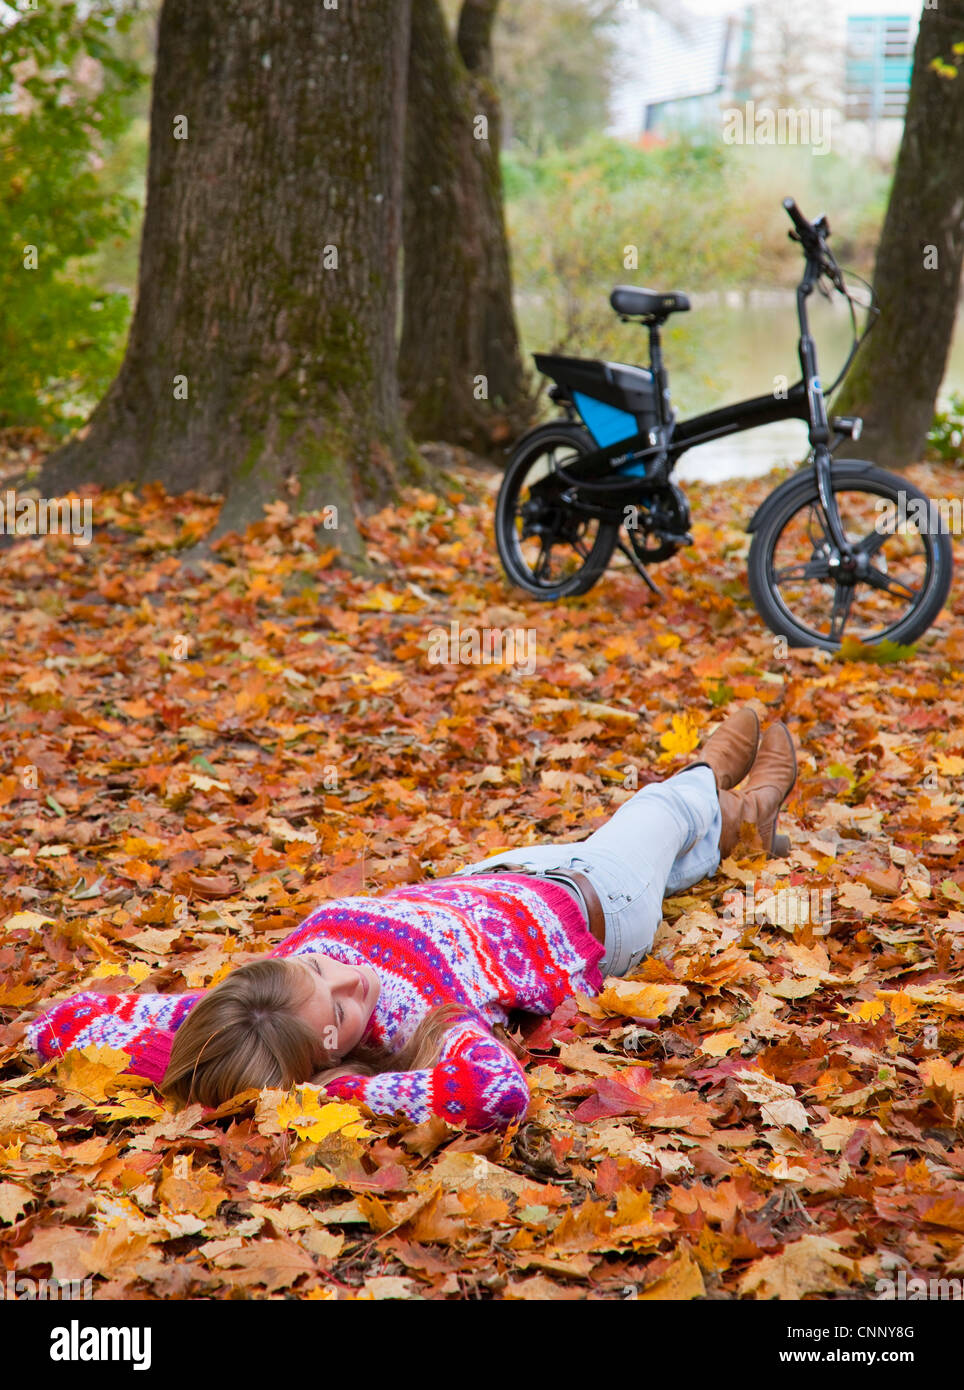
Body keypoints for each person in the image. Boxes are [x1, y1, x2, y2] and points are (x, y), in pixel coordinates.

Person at [26, 709, 796, 1133]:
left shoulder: (250, 1010)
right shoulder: (413, 1030)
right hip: (599, 907)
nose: (348, 974)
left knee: (676, 856)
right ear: (328, 1048)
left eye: (319, 967)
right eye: (340, 1003)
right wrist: (306, 1101)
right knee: (656, 813)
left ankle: (736, 821)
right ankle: (712, 778)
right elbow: (499, 1094)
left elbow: (65, 1022)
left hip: (500, 874)